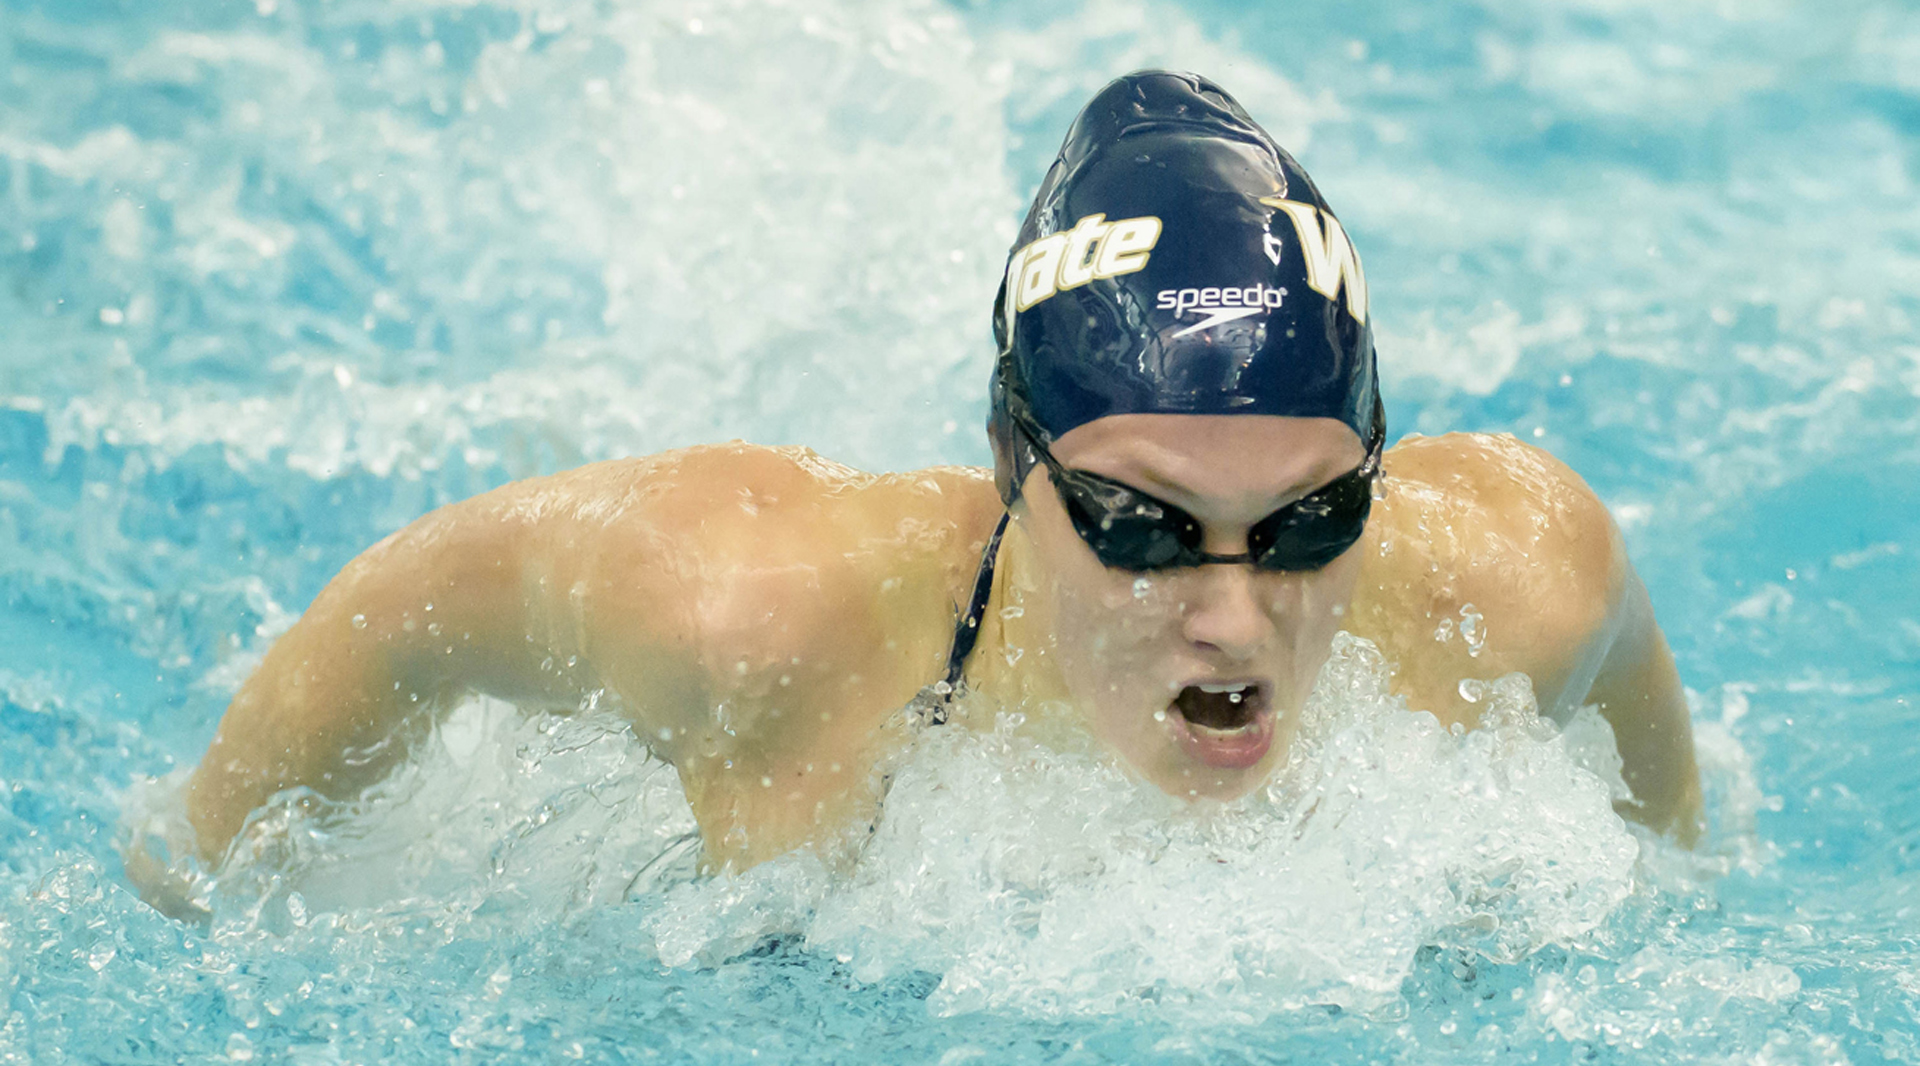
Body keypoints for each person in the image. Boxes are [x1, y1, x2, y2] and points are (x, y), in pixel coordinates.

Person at [165, 71, 1701, 888]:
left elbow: (1668, 825)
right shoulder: (746, 617)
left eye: (1309, 520)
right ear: (1010, 467)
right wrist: (197, 885)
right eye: (1141, 527)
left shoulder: (1512, 585)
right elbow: (397, 616)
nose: (1235, 618)